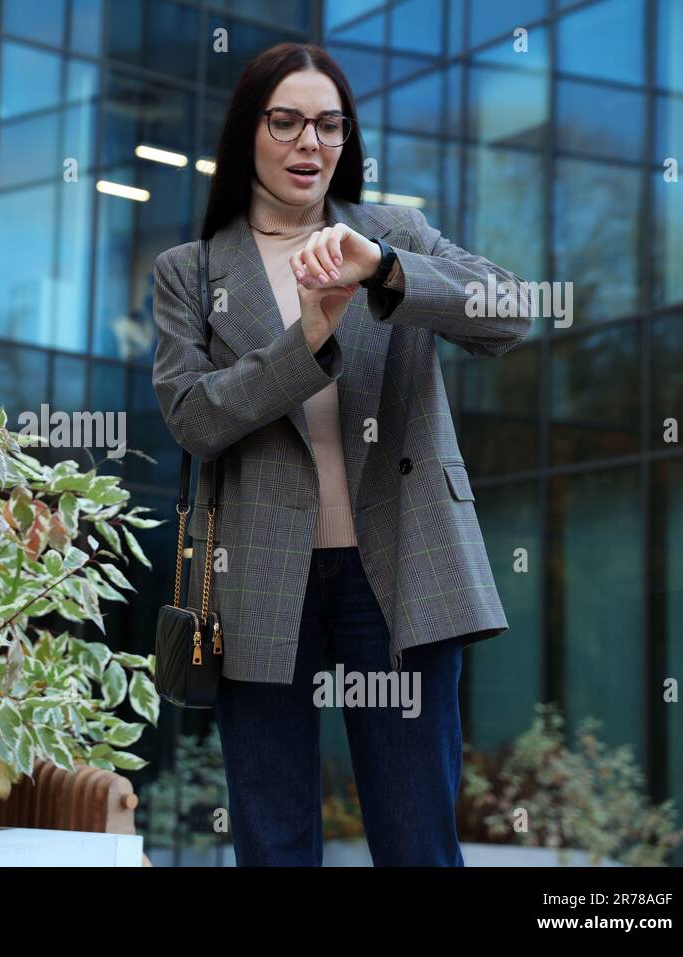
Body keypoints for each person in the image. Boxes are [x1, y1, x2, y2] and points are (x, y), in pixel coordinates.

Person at [150, 41, 534, 866]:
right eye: (284, 121)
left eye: (328, 124)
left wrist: (390, 271)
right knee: (275, 839)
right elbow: (191, 416)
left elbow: (510, 313)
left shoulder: (391, 231)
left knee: (416, 836)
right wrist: (307, 339)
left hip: (398, 561)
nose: (308, 143)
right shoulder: (192, 271)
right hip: (257, 573)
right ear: (247, 133)